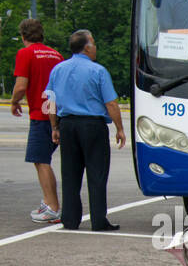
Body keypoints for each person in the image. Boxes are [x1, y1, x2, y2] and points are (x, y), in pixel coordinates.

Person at [45, 30, 127, 232]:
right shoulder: (98, 71)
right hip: (92, 125)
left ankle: (70, 220)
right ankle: (98, 220)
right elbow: (111, 103)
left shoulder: (57, 70)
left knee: (70, 173)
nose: (95, 47)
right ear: (87, 47)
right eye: (94, 43)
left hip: (68, 125)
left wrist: (54, 126)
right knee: (97, 173)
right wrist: (120, 128)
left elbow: (50, 101)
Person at [11, 18, 64, 222]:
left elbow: (21, 86)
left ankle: (52, 206)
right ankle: (48, 202)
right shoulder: (55, 54)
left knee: (41, 160)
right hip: (56, 111)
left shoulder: (25, 53)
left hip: (41, 114)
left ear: (23, 35)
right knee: (42, 159)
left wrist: (15, 101)